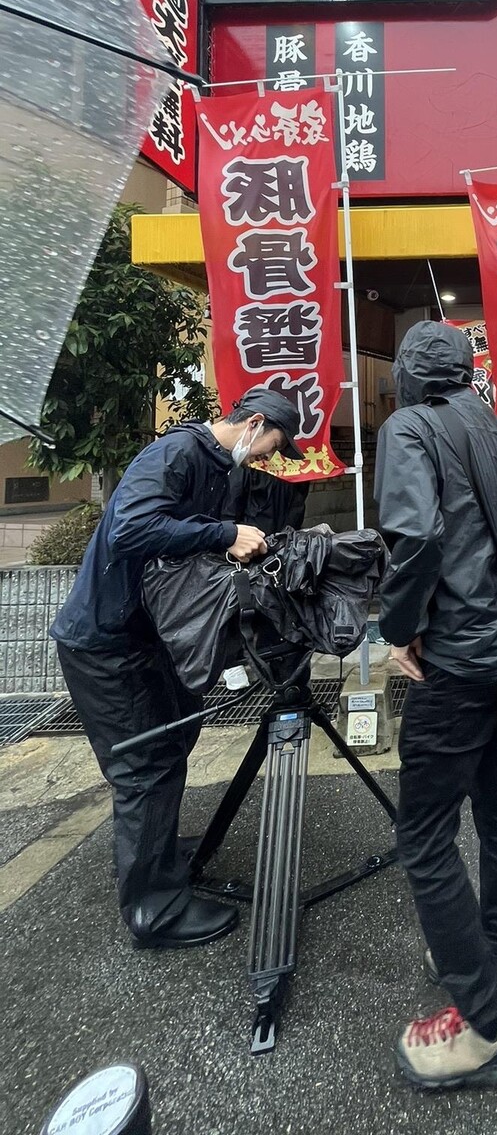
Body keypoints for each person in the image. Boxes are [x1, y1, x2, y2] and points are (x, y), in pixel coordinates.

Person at [50, 387, 302, 949]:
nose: (267, 459)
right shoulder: (178, 453)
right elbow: (130, 529)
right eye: (271, 446)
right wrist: (223, 534)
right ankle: (153, 910)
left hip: (150, 635)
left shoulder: (219, 467)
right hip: (107, 642)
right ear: (254, 422)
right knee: (146, 767)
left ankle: (155, 850)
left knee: (179, 734)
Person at [374, 322, 497, 1091]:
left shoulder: (408, 426)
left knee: (424, 840)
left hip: (452, 656)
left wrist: (398, 630)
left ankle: (484, 1026)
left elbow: (411, 540)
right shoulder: (488, 421)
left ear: (409, 373)